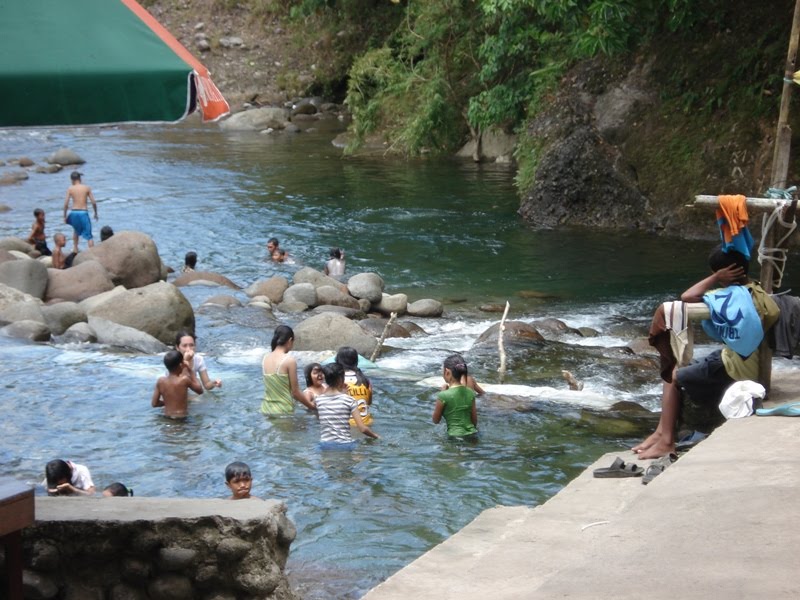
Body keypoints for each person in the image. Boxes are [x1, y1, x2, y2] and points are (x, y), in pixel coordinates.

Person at [633, 247, 780, 459]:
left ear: (724, 274)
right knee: (686, 367)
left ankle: (666, 441)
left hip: (735, 368)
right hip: (736, 358)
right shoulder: (757, 291)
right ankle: (659, 433)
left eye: (718, 273)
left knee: (671, 377)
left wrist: (715, 277)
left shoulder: (726, 296)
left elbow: (687, 296)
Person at [316, 363, 379, 445]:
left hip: (324, 444)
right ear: (340, 379)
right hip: (345, 444)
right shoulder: (349, 400)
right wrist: (376, 436)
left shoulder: (318, 400)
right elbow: (363, 429)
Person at [261, 325, 316, 414]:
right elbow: (295, 393)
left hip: (266, 408)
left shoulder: (265, 358)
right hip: (283, 409)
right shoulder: (289, 361)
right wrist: (312, 406)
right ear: (290, 340)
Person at [433, 354, 479, 440]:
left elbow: (436, 420)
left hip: (454, 437)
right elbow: (474, 421)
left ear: (447, 372)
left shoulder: (443, 395)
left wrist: (442, 391)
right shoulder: (470, 392)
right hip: (473, 435)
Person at [151, 349, 203, 418]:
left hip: (166, 417)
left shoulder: (160, 381)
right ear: (181, 364)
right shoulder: (184, 380)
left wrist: (168, 402)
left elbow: (154, 404)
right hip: (181, 418)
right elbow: (200, 390)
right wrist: (190, 371)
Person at [335, 346, 373, 425]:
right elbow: (369, 402)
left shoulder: (337, 381)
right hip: (366, 424)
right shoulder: (366, 381)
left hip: (346, 425)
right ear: (356, 361)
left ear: (338, 360)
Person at [63, 171, 98, 253]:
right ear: (80, 179)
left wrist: (64, 216)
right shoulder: (86, 188)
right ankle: (92, 251)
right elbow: (93, 202)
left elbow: (66, 204)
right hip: (83, 212)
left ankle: (75, 249)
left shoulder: (70, 188)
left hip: (74, 212)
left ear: (72, 180)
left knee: (75, 230)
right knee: (89, 235)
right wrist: (95, 213)